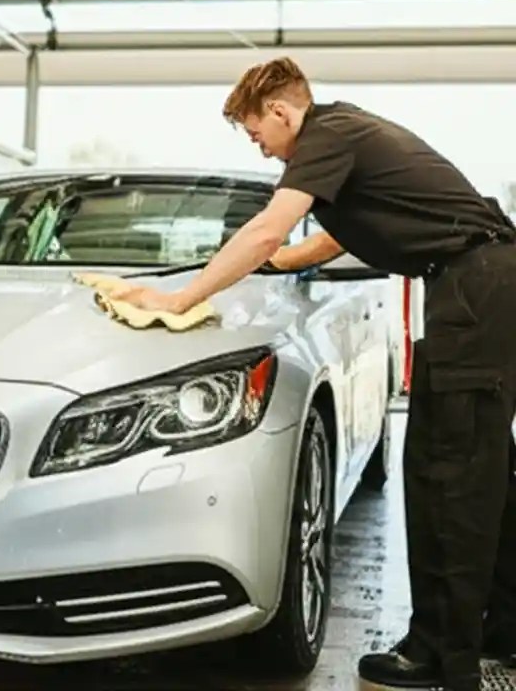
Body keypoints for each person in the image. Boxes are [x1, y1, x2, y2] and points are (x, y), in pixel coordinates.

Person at [109, 56, 516, 691]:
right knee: (482, 473)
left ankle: (443, 658)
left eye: (255, 133)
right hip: (480, 287)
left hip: (476, 290)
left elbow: (268, 229)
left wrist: (183, 297)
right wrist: (272, 268)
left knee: (450, 476)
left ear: (280, 111)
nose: (260, 147)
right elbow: (329, 241)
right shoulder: (346, 135)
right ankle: (499, 634)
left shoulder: (327, 135)